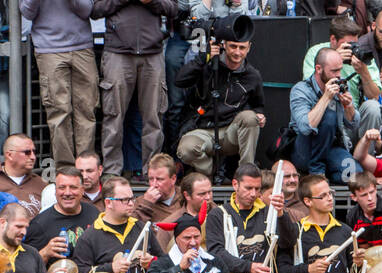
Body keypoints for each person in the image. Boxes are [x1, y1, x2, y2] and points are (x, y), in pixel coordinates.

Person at [91, 0, 179, 177]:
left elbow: (173, 9)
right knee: (113, 115)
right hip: (117, 52)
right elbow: (95, 10)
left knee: (154, 117)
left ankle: (153, 174)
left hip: (153, 53)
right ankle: (111, 174)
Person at [174, 24, 267, 177]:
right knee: (185, 149)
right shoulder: (210, 66)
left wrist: (260, 114)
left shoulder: (252, 75)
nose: (237, 52)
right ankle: (209, 172)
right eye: (233, 47)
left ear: (249, 48)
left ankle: (246, 176)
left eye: (242, 48)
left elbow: (259, 105)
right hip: (204, 128)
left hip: (231, 131)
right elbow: (179, 81)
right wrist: (203, 58)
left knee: (250, 117)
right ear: (224, 45)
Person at [71, 176, 166, 273]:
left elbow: (165, 262)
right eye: (124, 200)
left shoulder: (141, 227)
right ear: (108, 202)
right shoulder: (90, 236)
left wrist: (151, 262)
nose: (131, 204)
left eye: (132, 198)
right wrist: (111, 268)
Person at [22, 0, 99, 168]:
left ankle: (85, 168)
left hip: (82, 47)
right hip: (49, 49)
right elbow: (27, 12)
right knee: (58, 112)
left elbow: (87, 10)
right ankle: (66, 170)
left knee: (87, 110)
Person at [290, 49, 361, 185]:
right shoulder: (301, 90)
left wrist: (349, 106)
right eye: (334, 71)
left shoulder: (339, 85)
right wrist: (326, 98)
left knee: (354, 176)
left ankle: (324, 179)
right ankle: (317, 172)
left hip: (331, 147)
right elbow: (305, 127)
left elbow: (353, 124)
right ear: (318, 69)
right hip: (305, 148)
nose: (338, 75)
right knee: (329, 116)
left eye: (340, 70)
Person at [25, 166, 99, 263]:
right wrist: (45, 253)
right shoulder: (39, 224)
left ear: (82, 190)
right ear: (55, 191)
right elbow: (27, 267)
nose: (67, 193)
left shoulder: (94, 213)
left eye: (73, 187)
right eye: (62, 187)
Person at [0, 205, 50, 273]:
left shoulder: (32, 253)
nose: (24, 232)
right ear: (3, 223)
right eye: (19, 226)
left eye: (26, 227)